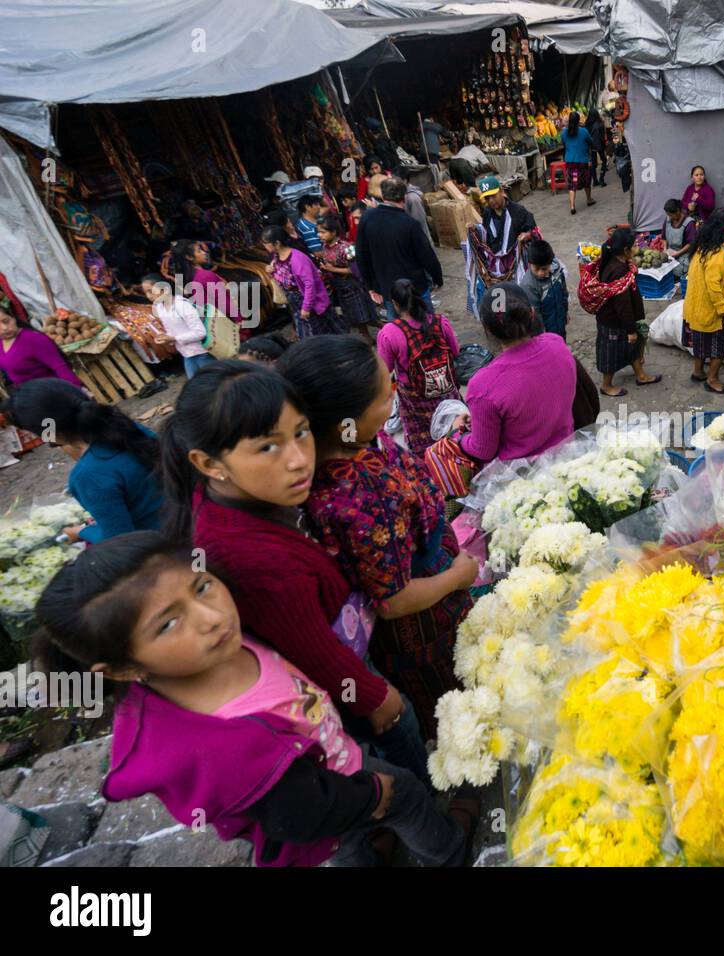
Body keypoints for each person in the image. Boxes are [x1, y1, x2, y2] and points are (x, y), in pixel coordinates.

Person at [33, 532, 469, 867]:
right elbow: (299, 814)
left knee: (348, 840)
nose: (212, 617)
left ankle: (367, 850)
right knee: (405, 795)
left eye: (201, 587)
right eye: (167, 625)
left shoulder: (221, 646)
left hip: (329, 757)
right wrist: (373, 794)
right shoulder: (222, 749)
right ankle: (448, 851)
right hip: (332, 787)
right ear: (124, 669)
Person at [161, 361, 433, 787]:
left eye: (301, 432)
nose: (298, 461)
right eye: (268, 447)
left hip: (345, 647)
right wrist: (376, 699)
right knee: (398, 740)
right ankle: (420, 809)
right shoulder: (252, 559)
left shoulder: (242, 497)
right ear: (210, 463)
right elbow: (314, 651)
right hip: (334, 680)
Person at [278, 336, 478, 741]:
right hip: (419, 627)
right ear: (344, 419)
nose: (392, 387)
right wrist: (458, 576)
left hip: (440, 584)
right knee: (451, 712)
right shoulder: (353, 498)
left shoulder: (360, 440)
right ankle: (463, 790)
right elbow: (393, 601)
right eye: (383, 392)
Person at [5, 378, 162, 542]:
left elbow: (121, 541)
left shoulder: (88, 475)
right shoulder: (129, 429)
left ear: (46, 432)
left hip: (167, 547)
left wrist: (81, 532)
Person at [454, 283, 577, 463]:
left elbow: (483, 451)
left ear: (487, 329)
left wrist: (459, 435)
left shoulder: (482, 387)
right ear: (532, 314)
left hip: (519, 480)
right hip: (566, 457)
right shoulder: (557, 344)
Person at [376, 278, 462, 457]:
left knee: (424, 439)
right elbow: (455, 351)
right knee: (454, 426)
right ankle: (458, 452)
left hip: (415, 399)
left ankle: (433, 462)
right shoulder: (441, 322)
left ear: (395, 304)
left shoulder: (389, 333)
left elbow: (386, 368)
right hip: (445, 389)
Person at [354, 177, 444, 321]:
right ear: (405, 196)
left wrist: (371, 286)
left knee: (399, 332)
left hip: (388, 291)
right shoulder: (410, 224)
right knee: (427, 327)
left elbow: (361, 255)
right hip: (416, 289)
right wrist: (437, 278)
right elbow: (427, 256)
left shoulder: (367, 218)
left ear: (382, 196)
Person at [590, 228, 661, 396]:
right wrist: (630, 329)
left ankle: (641, 375)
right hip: (613, 321)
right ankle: (606, 385)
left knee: (632, 347)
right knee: (610, 352)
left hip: (619, 320)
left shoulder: (617, 263)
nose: (637, 248)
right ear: (625, 250)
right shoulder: (618, 271)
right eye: (634, 246)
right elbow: (623, 305)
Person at [467, 175, 538, 317]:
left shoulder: (519, 211)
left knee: (517, 296)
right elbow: (486, 232)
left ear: (501, 191)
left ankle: (522, 318)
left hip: (515, 265)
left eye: (493, 196)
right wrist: (475, 229)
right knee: (497, 295)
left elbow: (535, 231)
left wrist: (527, 235)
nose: (491, 201)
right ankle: (500, 321)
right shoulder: (487, 212)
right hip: (495, 267)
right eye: (487, 198)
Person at [684, 209, 724, 395]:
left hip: (696, 310)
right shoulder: (716, 255)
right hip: (710, 311)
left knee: (700, 343)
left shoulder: (700, 248)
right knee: (721, 347)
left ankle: (698, 372)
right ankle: (712, 379)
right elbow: (713, 286)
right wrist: (722, 309)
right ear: (723, 229)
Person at [260, 227, 338, 340]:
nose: (264, 246)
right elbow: (284, 278)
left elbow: (309, 285)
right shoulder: (276, 257)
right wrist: (272, 271)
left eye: (266, 243)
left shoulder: (297, 259)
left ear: (276, 243)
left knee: (318, 335)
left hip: (309, 303)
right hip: (296, 304)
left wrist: (306, 307)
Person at [141, 272, 216, 377]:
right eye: (146, 293)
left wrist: (174, 338)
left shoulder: (182, 306)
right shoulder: (160, 307)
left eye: (151, 291)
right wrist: (166, 338)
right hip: (187, 354)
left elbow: (200, 333)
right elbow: (172, 331)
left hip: (202, 353)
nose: (148, 296)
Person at [315, 213, 374, 335]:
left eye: (323, 232)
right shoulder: (325, 246)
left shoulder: (347, 247)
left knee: (367, 317)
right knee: (356, 319)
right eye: (318, 232)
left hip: (352, 287)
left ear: (334, 232)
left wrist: (332, 269)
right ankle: (368, 339)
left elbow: (354, 270)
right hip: (339, 287)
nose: (319, 235)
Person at [0, 307, 84, 390]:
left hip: (55, 393)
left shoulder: (33, 338)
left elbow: (60, 368)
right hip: (32, 398)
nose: (4, 327)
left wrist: (78, 391)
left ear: (13, 318)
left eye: (6, 321)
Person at [519, 240, 569, 339]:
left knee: (561, 342)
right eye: (536, 269)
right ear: (529, 264)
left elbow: (563, 292)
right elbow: (534, 315)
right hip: (545, 331)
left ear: (551, 263)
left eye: (544, 269)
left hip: (560, 322)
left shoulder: (558, 271)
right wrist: (541, 334)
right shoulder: (528, 285)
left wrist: (565, 312)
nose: (540, 273)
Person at [560, 111, 597, 215]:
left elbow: (563, 144)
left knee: (572, 183)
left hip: (571, 163)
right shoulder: (584, 131)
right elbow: (591, 142)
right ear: (578, 121)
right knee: (586, 181)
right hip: (582, 162)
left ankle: (572, 206)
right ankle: (589, 199)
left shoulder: (564, 132)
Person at [661, 198, 699, 283]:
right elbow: (664, 237)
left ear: (678, 211)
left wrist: (677, 254)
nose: (669, 217)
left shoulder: (689, 223)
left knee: (678, 273)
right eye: (668, 214)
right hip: (670, 253)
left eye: (671, 214)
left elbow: (690, 243)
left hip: (684, 255)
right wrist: (665, 249)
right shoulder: (668, 220)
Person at [402, 177, 435, 249]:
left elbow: (419, 221)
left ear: (404, 180)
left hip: (419, 236)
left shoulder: (413, 198)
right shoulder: (404, 195)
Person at [585, 109, 609, 187]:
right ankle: (601, 178)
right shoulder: (600, 123)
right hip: (599, 145)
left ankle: (595, 180)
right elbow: (602, 137)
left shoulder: (587, 124)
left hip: (591, 146)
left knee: (593, 164)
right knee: (604, 160)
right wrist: (605, 146)